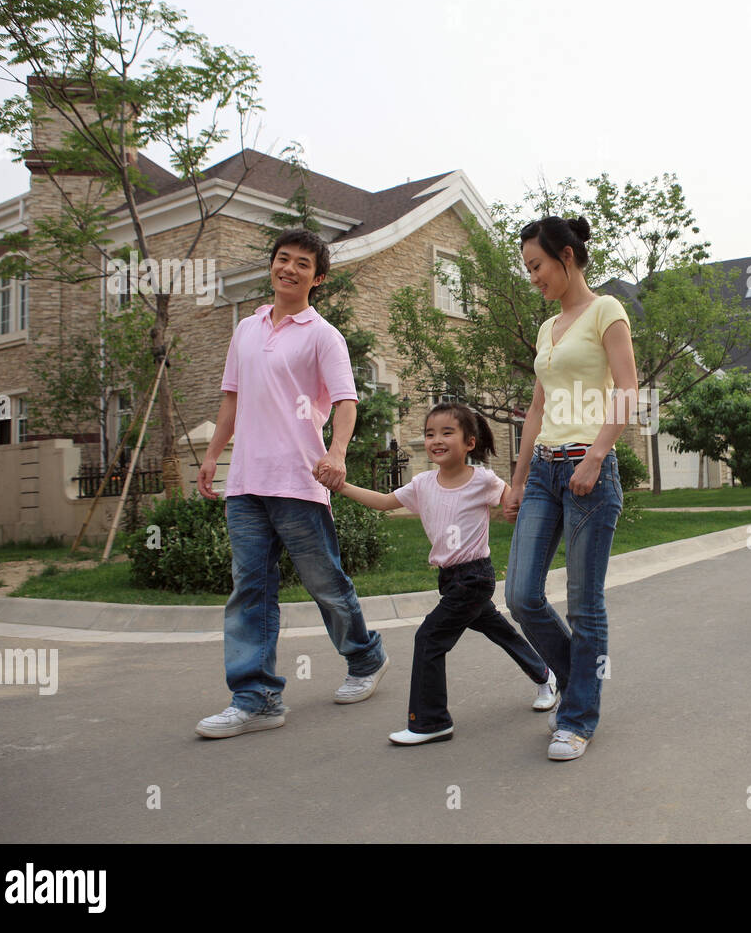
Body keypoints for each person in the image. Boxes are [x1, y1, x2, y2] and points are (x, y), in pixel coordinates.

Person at [194, 228, 387, 738]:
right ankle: (256, 699)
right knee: (249, 590)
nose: (290, 269)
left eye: (303, 263)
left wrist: (337, 452)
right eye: (283, 259)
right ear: (272, 266)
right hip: (246, 483)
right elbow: (231, 399)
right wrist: (214, 456)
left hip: (299, 480)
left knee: (326, 584)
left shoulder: (324, 335)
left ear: (317, 278)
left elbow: (346, 401)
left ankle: (365, 657)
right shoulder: (246, 329)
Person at [321, 402, 557, 745]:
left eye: (447, 432)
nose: (436, 440)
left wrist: (514, 509)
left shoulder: (483, 480)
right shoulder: (422, 484)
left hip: (474, 577)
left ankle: (430, 722)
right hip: (449, 578)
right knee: (499, 629)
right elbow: (386, 501)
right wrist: (341, 487)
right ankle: (544, 674)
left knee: (429, 638)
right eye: (430, 433)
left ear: (469, 442)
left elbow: (513, 504)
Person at [504, 215, 636, 762]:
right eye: (527, 269)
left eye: (536, 266)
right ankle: (578, 678)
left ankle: (577, 716)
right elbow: (536, 406)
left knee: (584, 605)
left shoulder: (607, 310)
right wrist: (516, 479)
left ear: (565, 256)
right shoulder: (547, 328)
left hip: (589, 469)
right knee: (520, 595)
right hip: (543, 470)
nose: (532, 277)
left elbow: (628, 389)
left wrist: (597, 453)